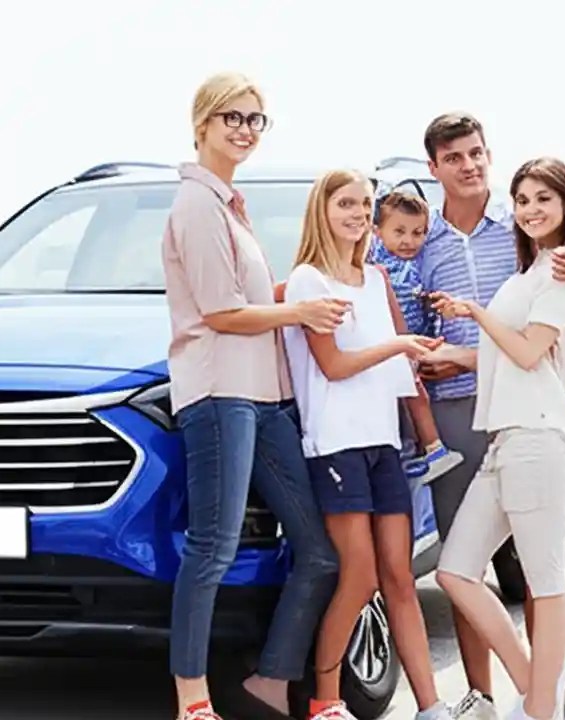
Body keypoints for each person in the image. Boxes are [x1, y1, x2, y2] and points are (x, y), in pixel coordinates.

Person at [409, 113, 565, 719]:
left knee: (545, 578)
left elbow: (529, 351)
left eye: (543, 200)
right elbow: (512, 351)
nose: (529, 210)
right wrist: (454, 351)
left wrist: (475, 315)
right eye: (524, 200)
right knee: (455, 571)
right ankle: (539, 686)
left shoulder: (563, 267)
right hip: (504, 435)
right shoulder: (534, 266)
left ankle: (540, 706)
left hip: (537, 436)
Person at [160, 71, 343, 720]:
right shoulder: (197, 205)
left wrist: (305, 296)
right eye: (231, 117)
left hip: (265, 398)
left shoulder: (231, 206)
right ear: (202, 124)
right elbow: (220, 312)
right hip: (219, 394)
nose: (244, 129)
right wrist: (299, 313)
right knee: (213, 546)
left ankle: (272, 678)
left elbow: (249, 301)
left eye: (254, 119)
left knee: (318, 550)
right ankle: (192, 701)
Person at [281, 168, 450, 720]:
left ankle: (430, 705)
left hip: (384, 443)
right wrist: (398, 345)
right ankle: (325, 700)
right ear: (322, 210)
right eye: (346, 204)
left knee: (399, 576)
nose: (357, 214)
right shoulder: (308, 282)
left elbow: (403, 358)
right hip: (337, 445)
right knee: (359, 576)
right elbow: (332, 366)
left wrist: (420, 357)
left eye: (364, 204)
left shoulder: (376, 279)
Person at [366, 191, 464, 483]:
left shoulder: (424, 263)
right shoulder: (370, 261)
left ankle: (431, 450)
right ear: (377, 231)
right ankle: (426, 450)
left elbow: (431, 304)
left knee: (415, 393)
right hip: (382, 348)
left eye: (417, 233)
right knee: (409, 396)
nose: (409, 240)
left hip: (414, 347)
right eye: (399, 232)